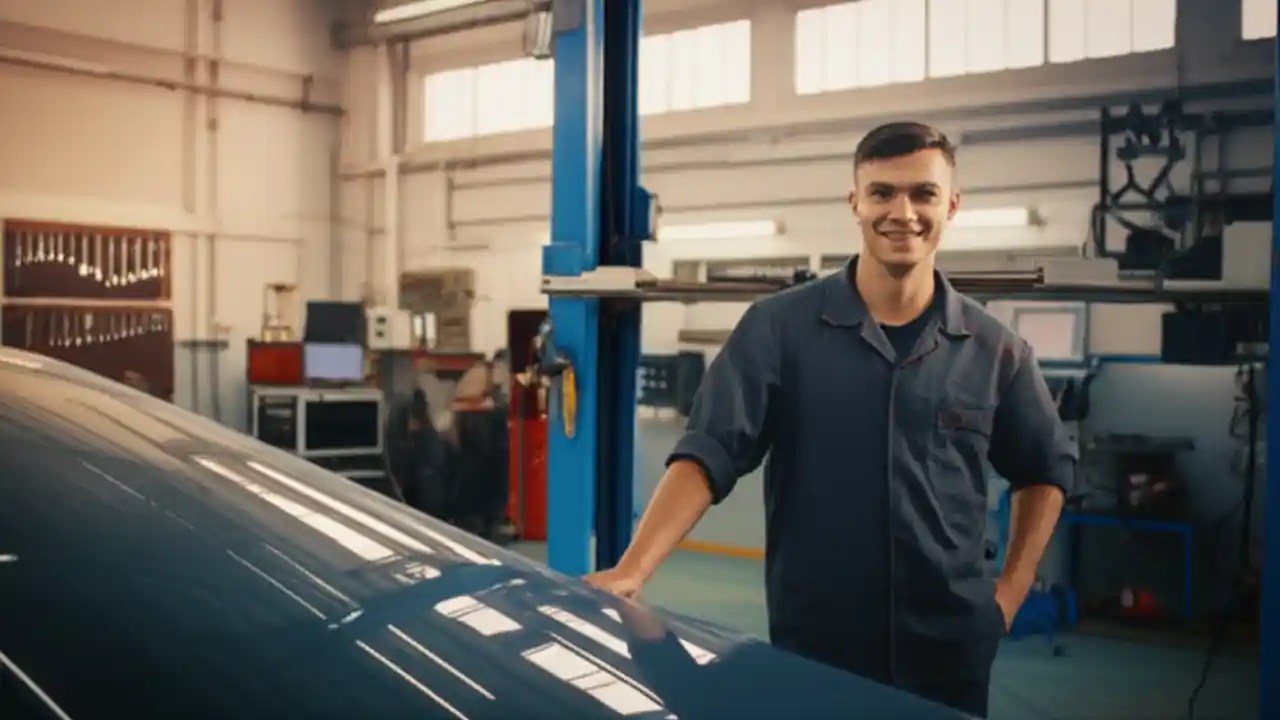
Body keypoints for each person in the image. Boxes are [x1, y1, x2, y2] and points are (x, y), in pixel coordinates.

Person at [583, 121, 1077, 718]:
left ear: (951, 205)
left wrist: (1011, 593)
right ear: (855, 203)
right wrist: (635, 568)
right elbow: (708, 452)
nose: (903, 211)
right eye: (882, 193)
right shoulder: (779, 330)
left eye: (923, 193)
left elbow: (1045, 469)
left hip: (950, 657)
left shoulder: (995, 349)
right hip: (817, 651)